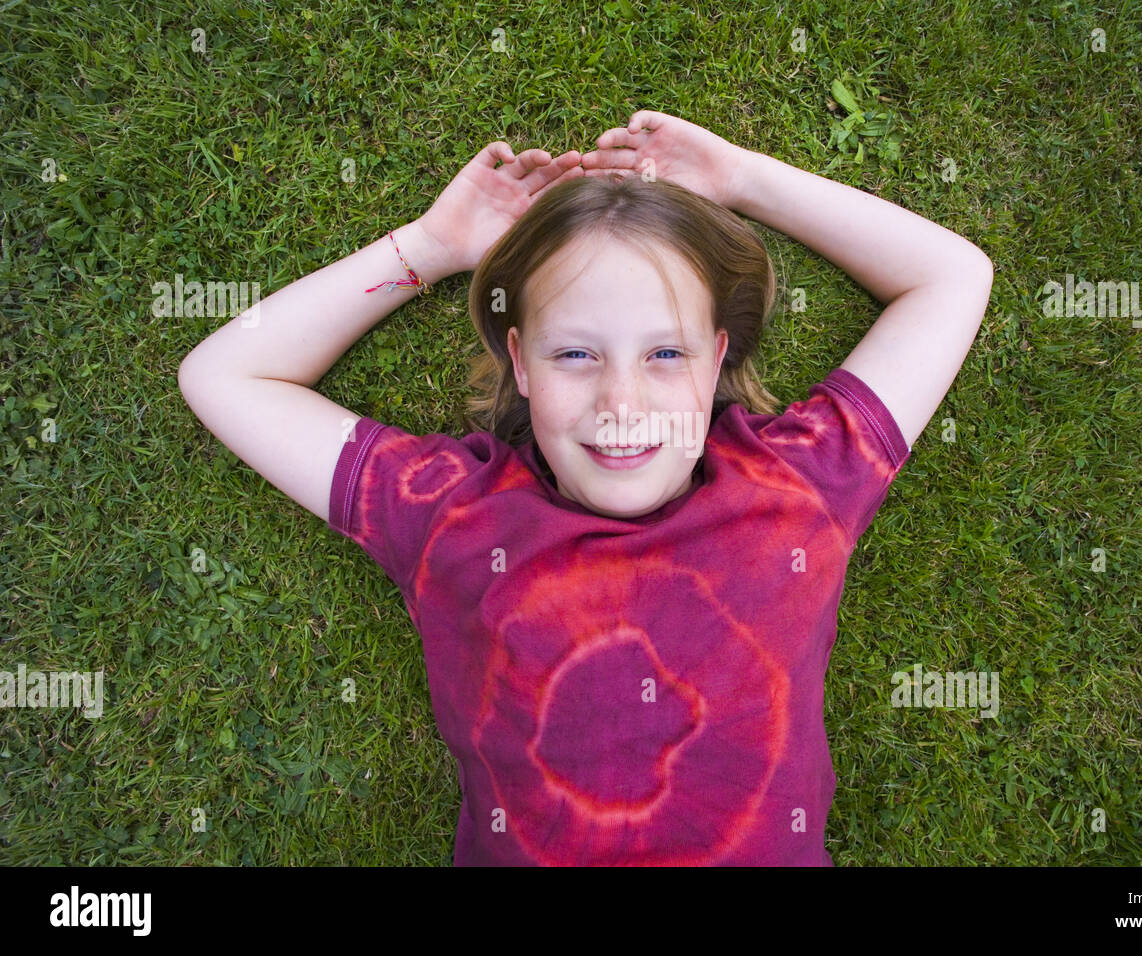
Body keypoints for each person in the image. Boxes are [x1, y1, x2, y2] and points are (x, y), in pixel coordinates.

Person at [177, 110, 993, 865]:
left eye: (665, 355)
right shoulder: (451, 514)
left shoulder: (799, 481)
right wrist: (431, 245)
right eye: (575, 355)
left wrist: (742, 179)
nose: (621, 403)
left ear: (715, 362)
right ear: (521, 365)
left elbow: (953, 277)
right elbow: (226, 374)